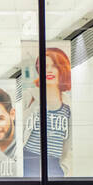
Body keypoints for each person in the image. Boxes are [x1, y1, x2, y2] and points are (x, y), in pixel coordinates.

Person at [22, 48, 72, 177]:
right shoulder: (29, 96)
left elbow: (69, 143)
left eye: (54, 66)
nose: (49, 70)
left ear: (62, 70)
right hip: (30, 159)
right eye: (45, 66)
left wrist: (65, 168)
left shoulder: (68, 105)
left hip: (55, 164)